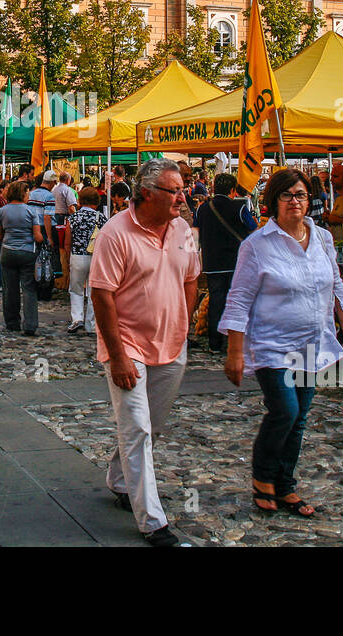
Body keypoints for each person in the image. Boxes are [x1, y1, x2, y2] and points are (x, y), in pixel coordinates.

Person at [220, 168, 343, 518]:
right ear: (273, 202)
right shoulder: (256, 245)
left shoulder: (323, 238)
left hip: (311, 341)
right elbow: (238, 300)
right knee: (285, 411)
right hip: (270, 344)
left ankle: (285, 485)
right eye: (286, 195)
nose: (294, 202)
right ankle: (262, 478)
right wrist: (234, 352)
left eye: (300, 195)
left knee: (298, 419)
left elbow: (337, 285)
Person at [89, 159, 201, 547]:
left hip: (172, 341)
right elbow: (101, 294)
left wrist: (184, 325)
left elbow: (191, 277)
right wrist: (117, 355)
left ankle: (121, 479)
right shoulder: (115, 234)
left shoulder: (184, 229)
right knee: (136, 426)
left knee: (150, 423)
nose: (183, 197)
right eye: (175, 190)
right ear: (148, 193)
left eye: (182, 189)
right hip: (128, 343)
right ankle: (153, 522)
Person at [194, 172, 259, 353]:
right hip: (236, 262)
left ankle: (215, 343)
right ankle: (234, 342)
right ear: (232, 190)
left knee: (216, 300)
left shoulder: (203, 209)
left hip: (211, 262)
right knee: (236, 301)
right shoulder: (238, 208)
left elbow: (195, 234)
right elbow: (253, 230)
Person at [0, 180, 43, 334]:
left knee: (10, 289)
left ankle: (12, 322)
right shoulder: (31, 211)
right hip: (27, 252)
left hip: (8, 251)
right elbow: (37, 236)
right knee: (29, 288)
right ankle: (30, 324)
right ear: (23, 193)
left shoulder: (2, 211)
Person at [63, 187, 106, 333]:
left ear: (80, 200)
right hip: (95, 257)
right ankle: (91, 324)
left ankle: (77, 318)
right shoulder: (100, 218)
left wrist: (68, 254)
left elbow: (67, 240)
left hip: (77, 256)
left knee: (76, 289)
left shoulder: (74, 217)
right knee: (94, 291)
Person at [52, 172, 78, 287]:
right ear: (68, 180)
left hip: (54, 218)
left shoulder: (54, 190)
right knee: (65, 246)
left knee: (57, 246)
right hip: (64, 219)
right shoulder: (67, 190)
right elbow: (71, 207)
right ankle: (65, 274)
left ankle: (58, 273)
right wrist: (77, 217)